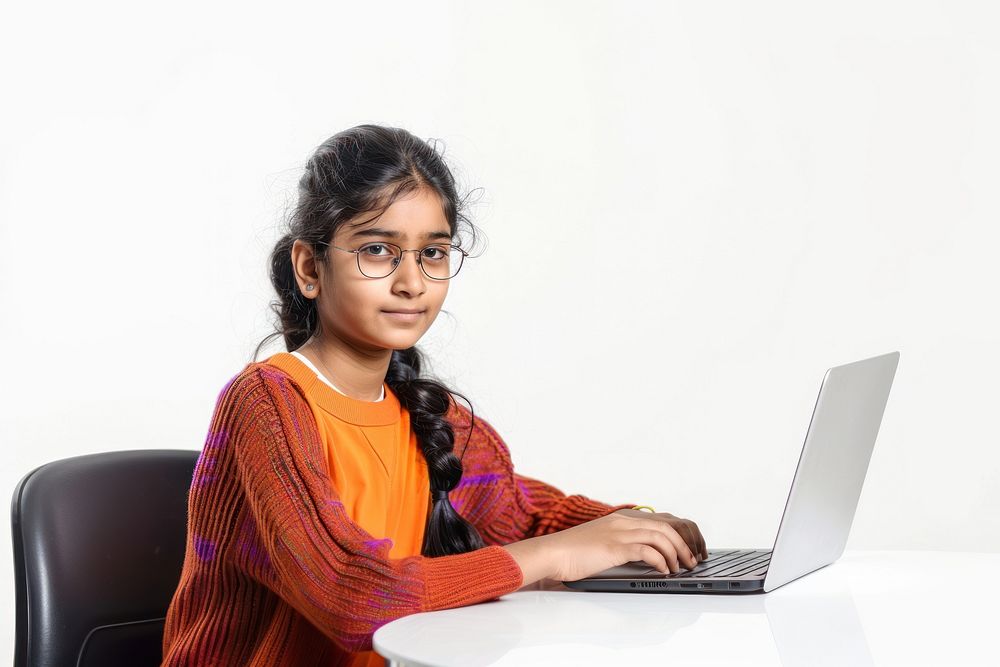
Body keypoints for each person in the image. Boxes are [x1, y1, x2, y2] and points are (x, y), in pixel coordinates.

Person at [161, 124, 708, 667]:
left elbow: (524, 519)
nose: (412, 282)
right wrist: (557, 555)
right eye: (378, 251)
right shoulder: (268, 403)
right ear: (310, 268)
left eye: (434, 253)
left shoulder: (425, 414)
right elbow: (349, 594)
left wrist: (640, 529)